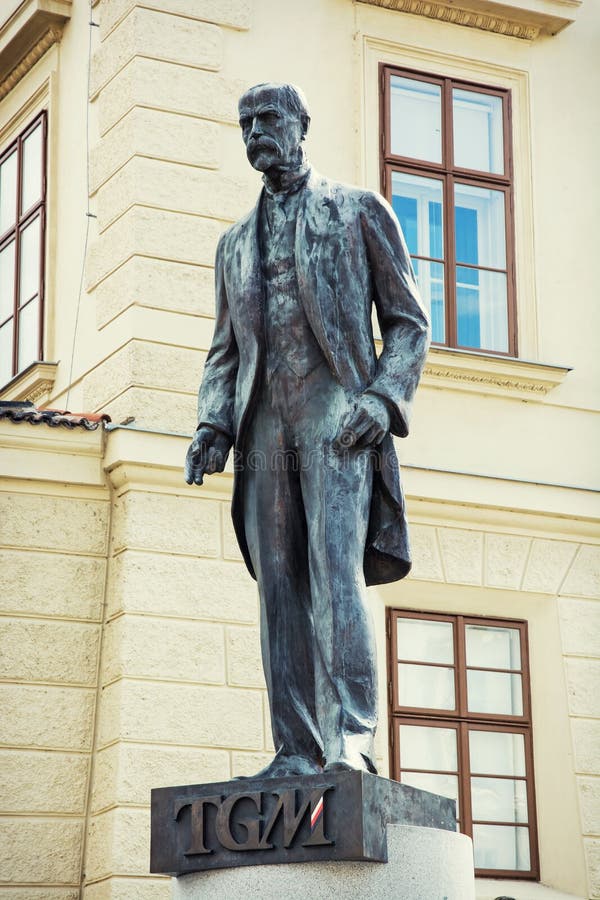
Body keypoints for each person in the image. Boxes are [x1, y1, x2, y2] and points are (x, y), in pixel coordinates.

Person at [185, 82, 430, 777]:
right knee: (278, 585)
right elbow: (225, 349)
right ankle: (294, 749)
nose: (256, 132)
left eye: (268, 119)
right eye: (245, 123)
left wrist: (382, 400)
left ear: (301, 124)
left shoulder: (357, 210)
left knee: (333, 574)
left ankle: (351, 739)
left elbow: (409, 324)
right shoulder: (233, 243)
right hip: (263, 422)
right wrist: (213, 422)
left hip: (337, 416)